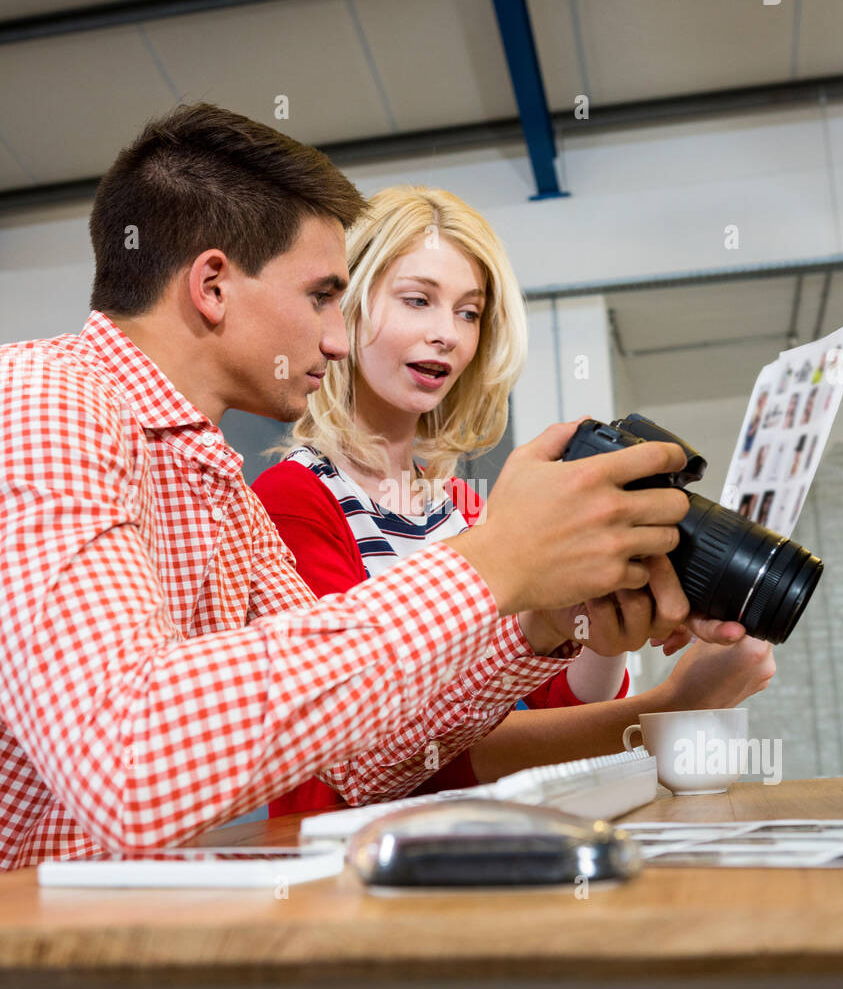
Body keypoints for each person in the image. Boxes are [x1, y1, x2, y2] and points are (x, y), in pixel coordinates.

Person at [0, 104, 702, 870]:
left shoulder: (221, 493)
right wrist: (491, 562)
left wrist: (535, 621)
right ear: (212, 285)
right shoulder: (43, 399)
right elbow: (128, 764)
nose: (337, 339)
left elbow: (361, 762)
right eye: (321, 296)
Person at [252, 186, 774, 815]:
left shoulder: (466, 512)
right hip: (355, 867)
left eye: (469, 313)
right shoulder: (293, 498)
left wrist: (598, 624)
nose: (447, 334)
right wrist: (668, 708)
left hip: (483, 850)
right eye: (418, 301)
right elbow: (371, 762)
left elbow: (551, 715)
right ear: (349, 307)